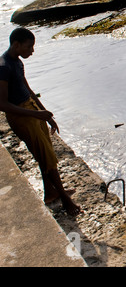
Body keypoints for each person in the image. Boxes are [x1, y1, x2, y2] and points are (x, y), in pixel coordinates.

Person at [0, 27, 80, 216]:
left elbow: (27, 88)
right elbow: (2, 104)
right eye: (29, 47)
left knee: (45, 152)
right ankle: (66, 200)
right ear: (16, 44)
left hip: (31, 109)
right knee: (45, 156)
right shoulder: (3, 67)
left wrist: (46, 114)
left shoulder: (17, 63)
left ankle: (51, 192)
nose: (32, 51)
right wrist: (36, 115)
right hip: (21, 116)